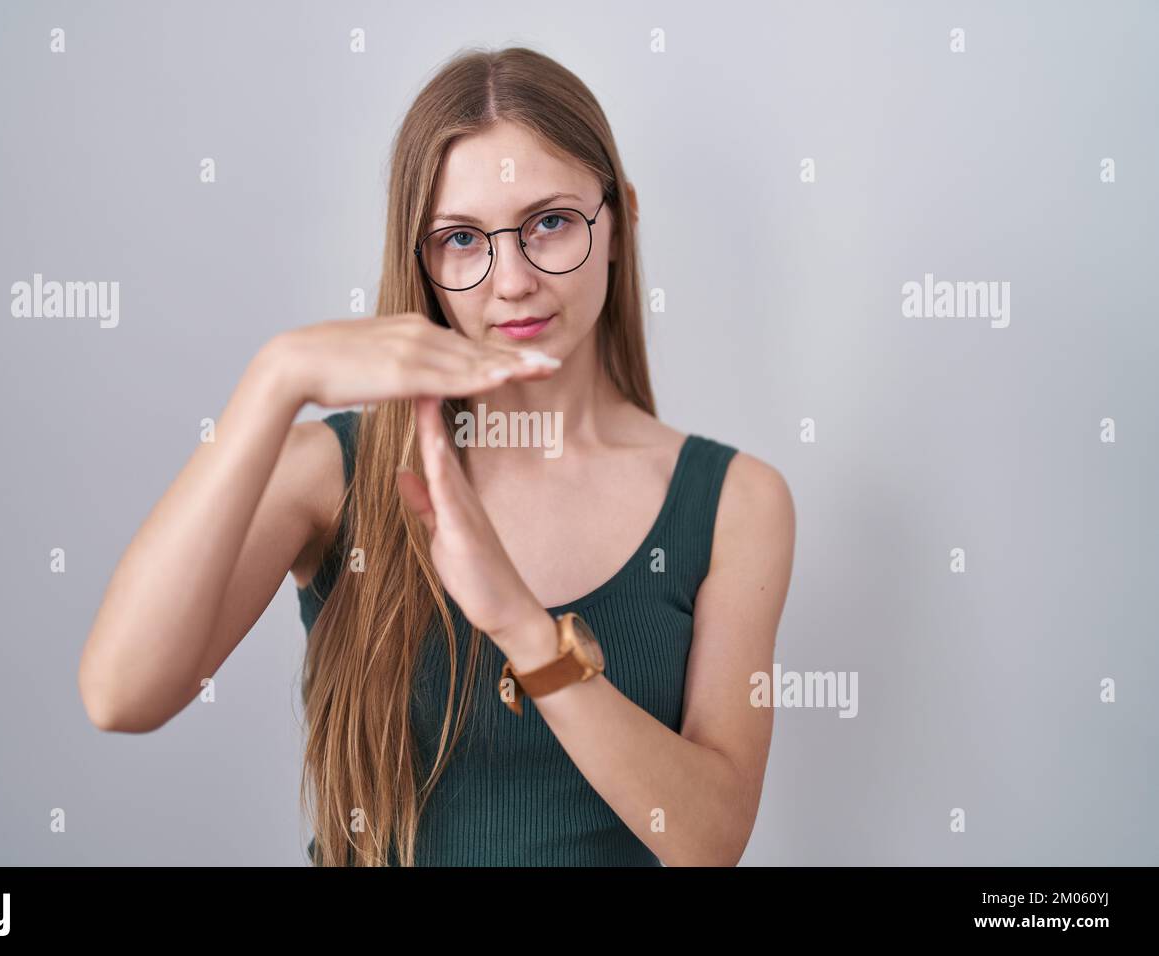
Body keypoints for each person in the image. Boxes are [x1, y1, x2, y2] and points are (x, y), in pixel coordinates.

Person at [78, 45, 795, 867]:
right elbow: (118, 694)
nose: (512, 279)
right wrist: (274, 379)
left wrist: (524, 630)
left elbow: (708, 839)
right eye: (461, 239)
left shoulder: (735, 500)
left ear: (620, 222)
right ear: (421, 260)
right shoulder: (331, 473)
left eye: (550, 223)